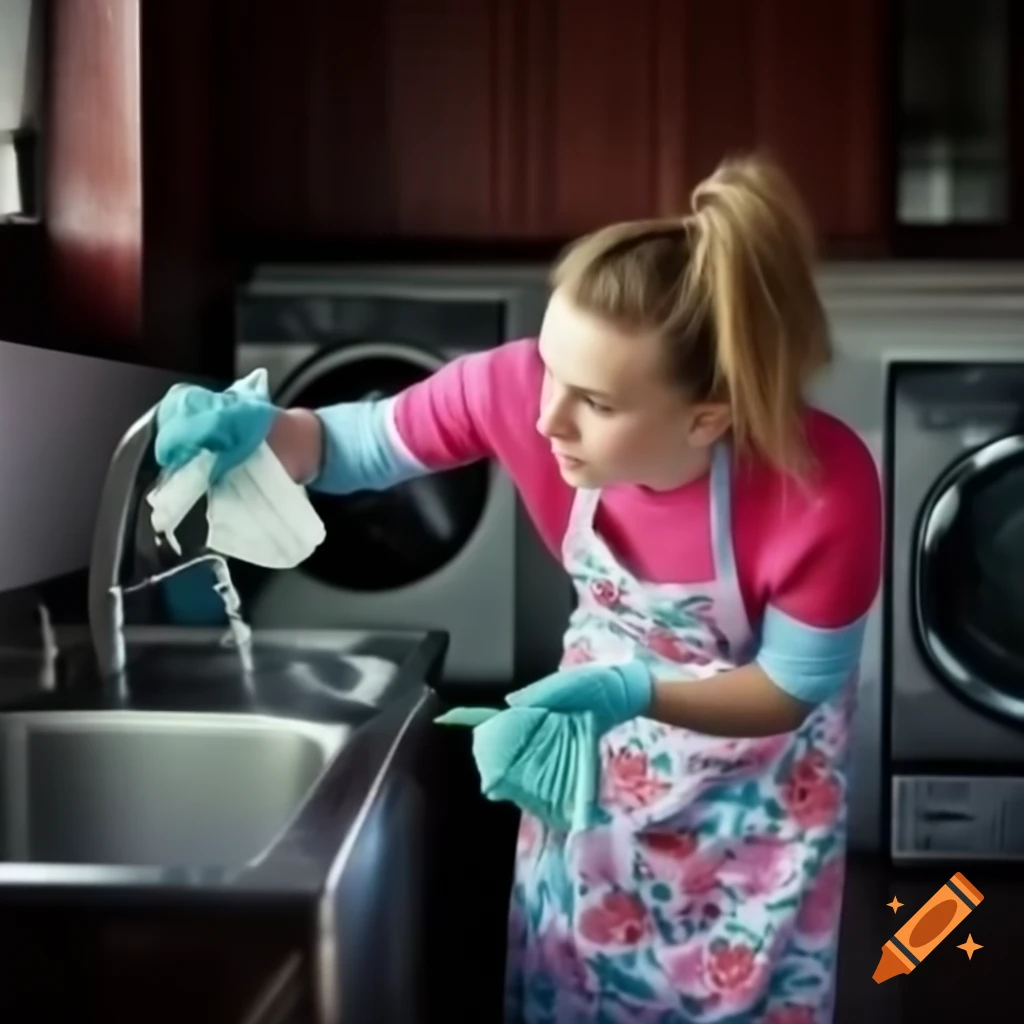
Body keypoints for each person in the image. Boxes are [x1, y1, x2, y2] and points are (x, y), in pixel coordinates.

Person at [154, 154, 882, 1024]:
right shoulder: (519, 388)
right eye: (551, 369)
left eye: (596, 403)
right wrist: (265, 431)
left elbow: (790, 689)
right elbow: (353, 446)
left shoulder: (822, 484)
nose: (546, 419)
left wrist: (631, 687)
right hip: (592, 777)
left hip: (757, 802)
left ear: (708, 416)